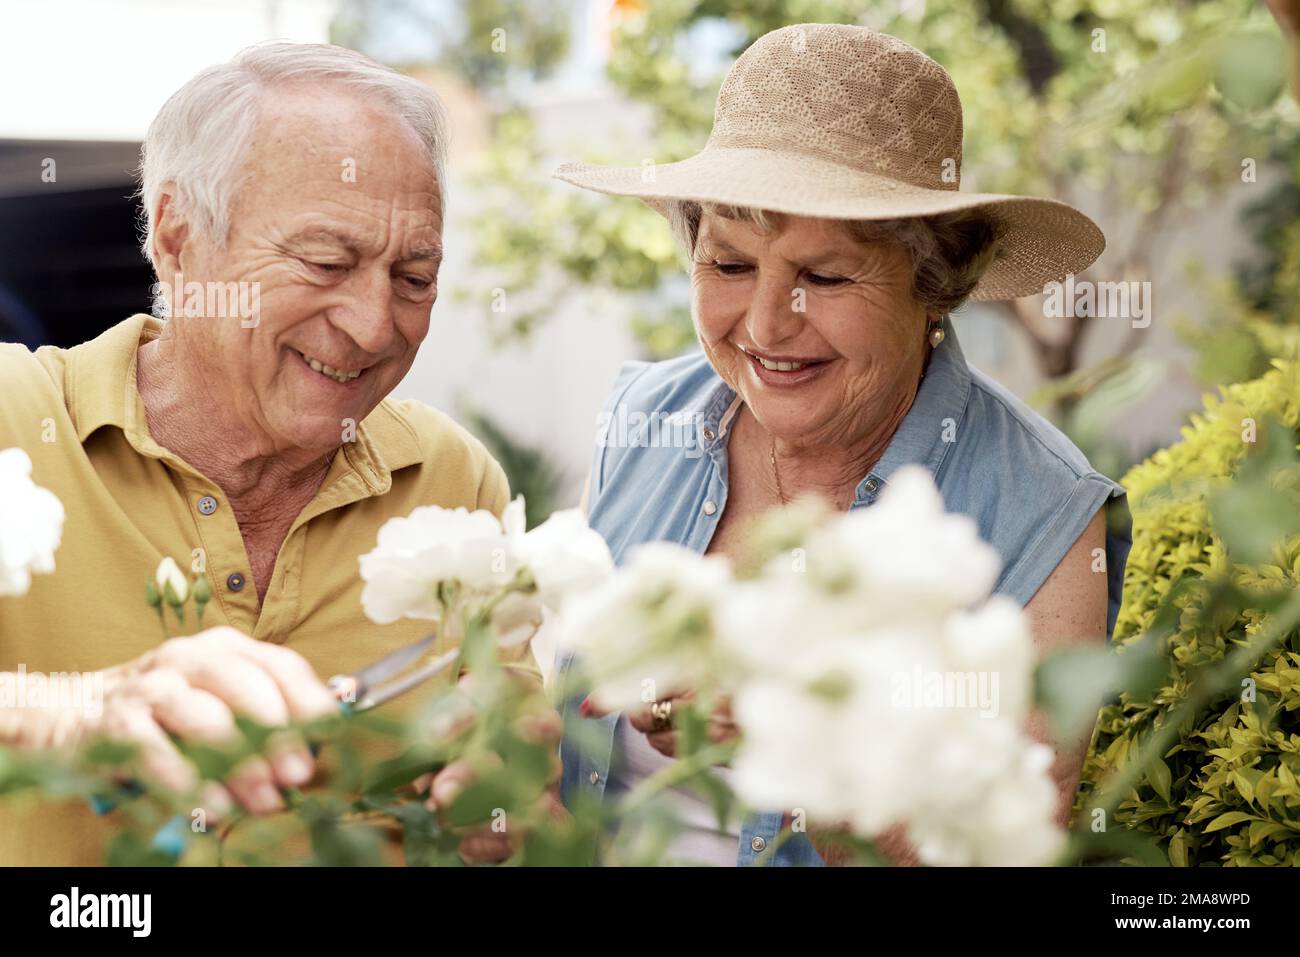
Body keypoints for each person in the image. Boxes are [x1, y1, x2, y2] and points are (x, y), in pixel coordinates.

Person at [553, 23, 1132, 866]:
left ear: (939, 286)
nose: (763, 325)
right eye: (728, 265)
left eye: (824, 276)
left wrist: (800, 748)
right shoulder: (645, 418)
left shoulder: (1044, 510)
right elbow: (556, 732)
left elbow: (1001, 847)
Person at [0, 42, 537, 866]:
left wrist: (504, 808)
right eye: (326, 262)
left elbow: (517, 787)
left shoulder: (452, 481)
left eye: (414, 276)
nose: (373, 325)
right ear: (178, 242)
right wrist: (76, 710)